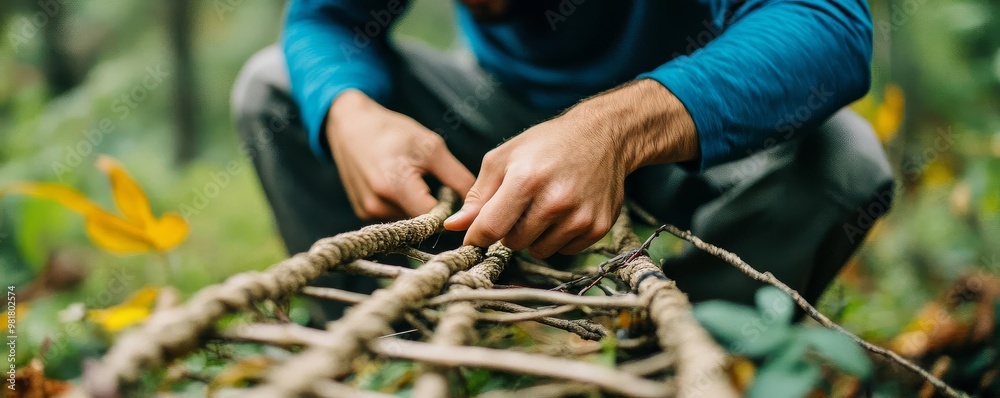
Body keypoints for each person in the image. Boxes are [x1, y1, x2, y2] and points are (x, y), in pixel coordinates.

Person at [232, 0, 894, 322]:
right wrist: (352, 111)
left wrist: (613, 132)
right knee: (277, 89)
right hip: (494, 126)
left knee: (846, 162)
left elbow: (827, 24)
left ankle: (658, 356)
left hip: (688, 145)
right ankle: (396, 354)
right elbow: (326, 18)